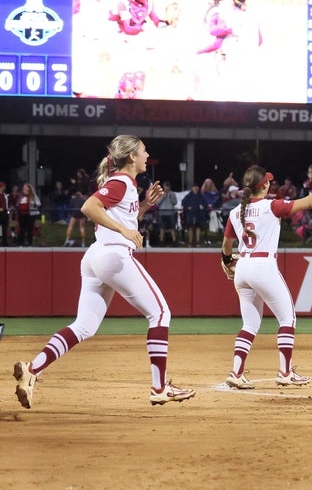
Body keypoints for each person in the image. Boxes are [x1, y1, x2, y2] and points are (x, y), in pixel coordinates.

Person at [12, 134, 194, 408]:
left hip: (96, 257)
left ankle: (33, 369)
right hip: (113, 254)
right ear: (131, 156)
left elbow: (121, 215)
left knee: (84, 326)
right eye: (144, 151)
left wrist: (144, 206)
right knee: (160, 313)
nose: (147, 155)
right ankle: (160, 387)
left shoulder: (127, 185)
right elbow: (89, 207)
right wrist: (124, 230)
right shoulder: (121, 181)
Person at [220, 166, 312, 390]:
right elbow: (308, 202)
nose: (271, 184)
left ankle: (236, 372)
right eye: (269, 181)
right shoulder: (272, 206)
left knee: (249, 323)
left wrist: (228, 262)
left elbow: (226, 246)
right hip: (263, 265)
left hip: (243, 268)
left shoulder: (235, 211)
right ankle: (285, 372)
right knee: (288, 319)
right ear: (265, 185)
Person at [181, 182, 209, 246]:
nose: (195, 188)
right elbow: (183, 203)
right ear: (192, 188)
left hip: (199, 214)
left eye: (196, 187)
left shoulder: (201, 195)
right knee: (190, 228)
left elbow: (205, 204)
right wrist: (188, 207)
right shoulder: (188, 196)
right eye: (194, 187)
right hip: (190, 214)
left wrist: (203, 206)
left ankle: (198, 241)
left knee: (198, 227)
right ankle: (190, 241)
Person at [16, 182, 40, 246]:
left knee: (30, 230)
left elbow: (38, 203)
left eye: (26, 187)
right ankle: (20, 244)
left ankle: (30, 244)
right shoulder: (20, 196)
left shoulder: (32, 196)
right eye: (23, 187)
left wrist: (34, 193)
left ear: (29, 189)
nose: (24, 189)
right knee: (21, 230)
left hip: (30, 215)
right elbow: (17, 204)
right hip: (22, 215)